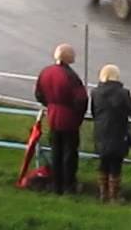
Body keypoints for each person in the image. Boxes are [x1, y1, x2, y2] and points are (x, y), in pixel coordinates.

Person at [34, 43, 89, 195]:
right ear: (68, 57)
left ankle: (56, 185)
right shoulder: (71, 76)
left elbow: (39, 95)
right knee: (69, 154)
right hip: (70, 120)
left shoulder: (46, 72)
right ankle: (68, 185)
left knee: (56, 152)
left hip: (53, 117)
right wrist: (78, 116)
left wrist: (51, 105)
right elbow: (81, 100)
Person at [90, 64, 131, 203]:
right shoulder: (123, 93)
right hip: (118, 133)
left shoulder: (95, 92)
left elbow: (94, 112)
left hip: (101, 132)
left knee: (103, 163)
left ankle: (103, 194)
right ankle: (114, 196)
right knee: (116, 165)